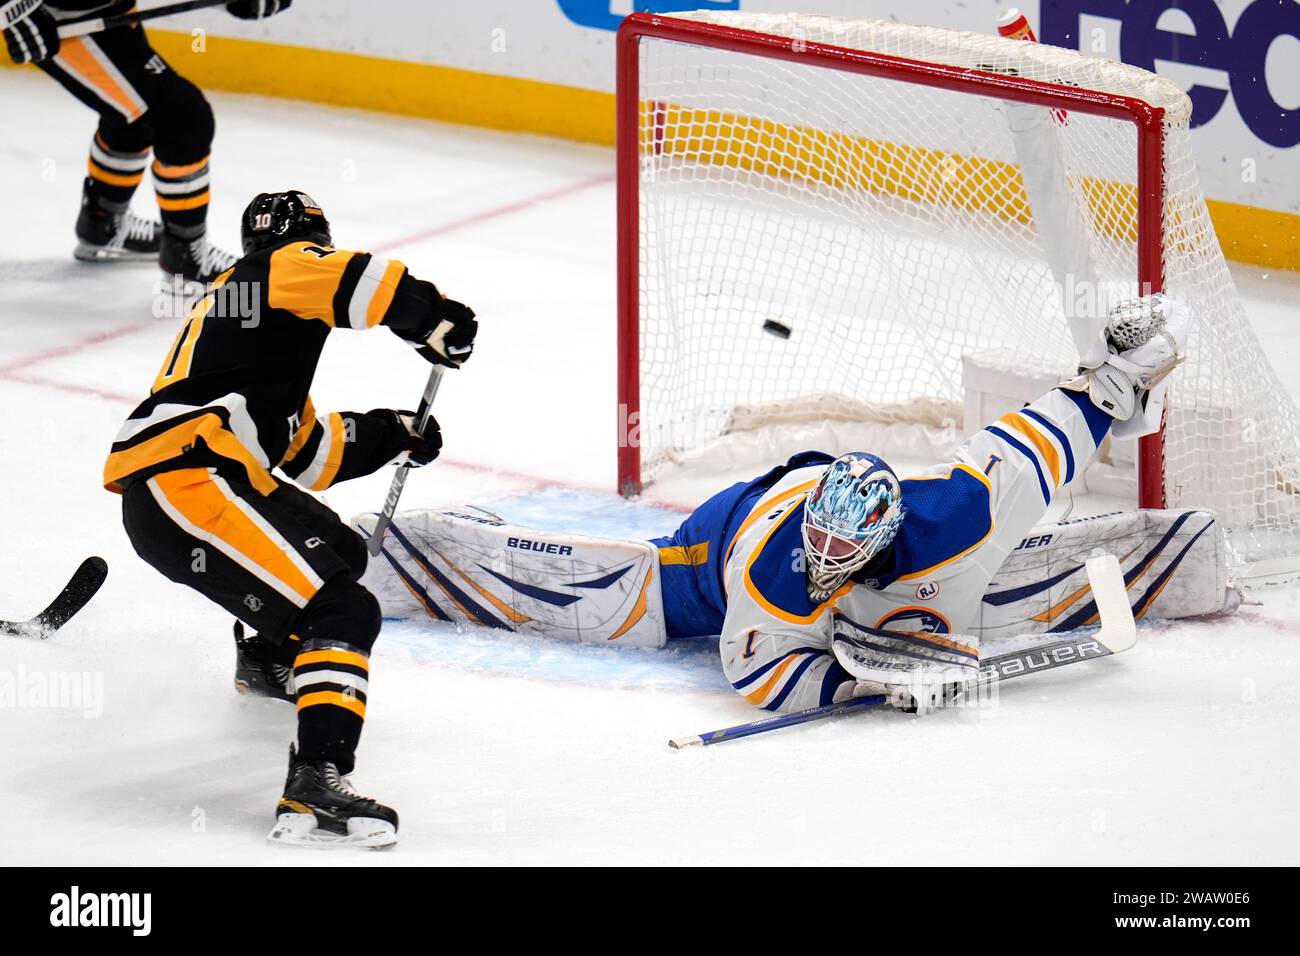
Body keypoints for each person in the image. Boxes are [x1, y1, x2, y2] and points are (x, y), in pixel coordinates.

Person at [363, 294, 1195, 717]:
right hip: (725, 538)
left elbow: (1038, 439)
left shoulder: (960, 511)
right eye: (823, 548)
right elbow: (757, 671)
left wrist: (1114, 381)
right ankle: (432, 552)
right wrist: (864, 689)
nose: (825, 559)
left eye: (845, 552)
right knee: (596, 603)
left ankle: (918, 606)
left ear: (885, 531)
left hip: (868, 523)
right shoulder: (776, 564)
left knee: (956, 576)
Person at [102, 189, 478, 847]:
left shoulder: (250, 336)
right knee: (343, 609)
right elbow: (363, 281)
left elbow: (305, 454)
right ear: (306, 242)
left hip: (187, 479)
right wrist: (433, 317)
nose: (319, 256)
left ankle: (270, 660)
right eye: (316, 247)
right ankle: (315, 783)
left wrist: (392, 432)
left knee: (338, 550)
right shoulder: (276, 269)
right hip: (189, 481)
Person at [2, 0, 293, 281]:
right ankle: (186, 258)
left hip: (99, 7)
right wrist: (12, 10)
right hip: (59, 15)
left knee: (135, 112)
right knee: (183, 118)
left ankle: (103, 224)